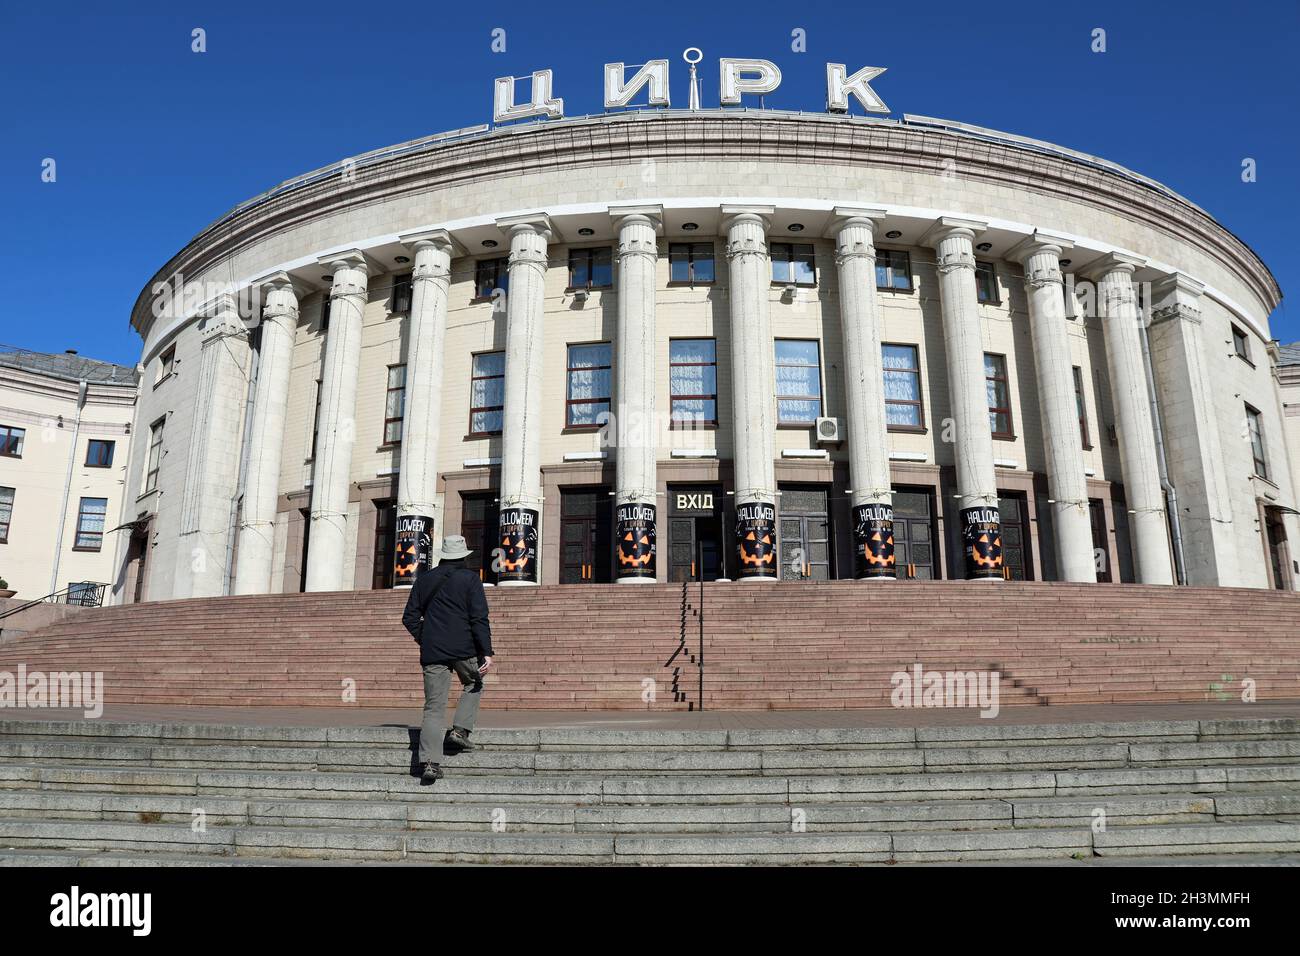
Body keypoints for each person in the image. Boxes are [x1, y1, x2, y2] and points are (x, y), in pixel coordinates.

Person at [401, 535, 494, 782]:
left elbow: (409, 617)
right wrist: (486, 650)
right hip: (464, 648)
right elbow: (479, 618)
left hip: (433, 651)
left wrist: (427, 637)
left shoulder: (424, 579)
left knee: (433, 707)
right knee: (474, 683)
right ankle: (460, 731)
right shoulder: (470, 579)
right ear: (464, 556)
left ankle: (430, 763)